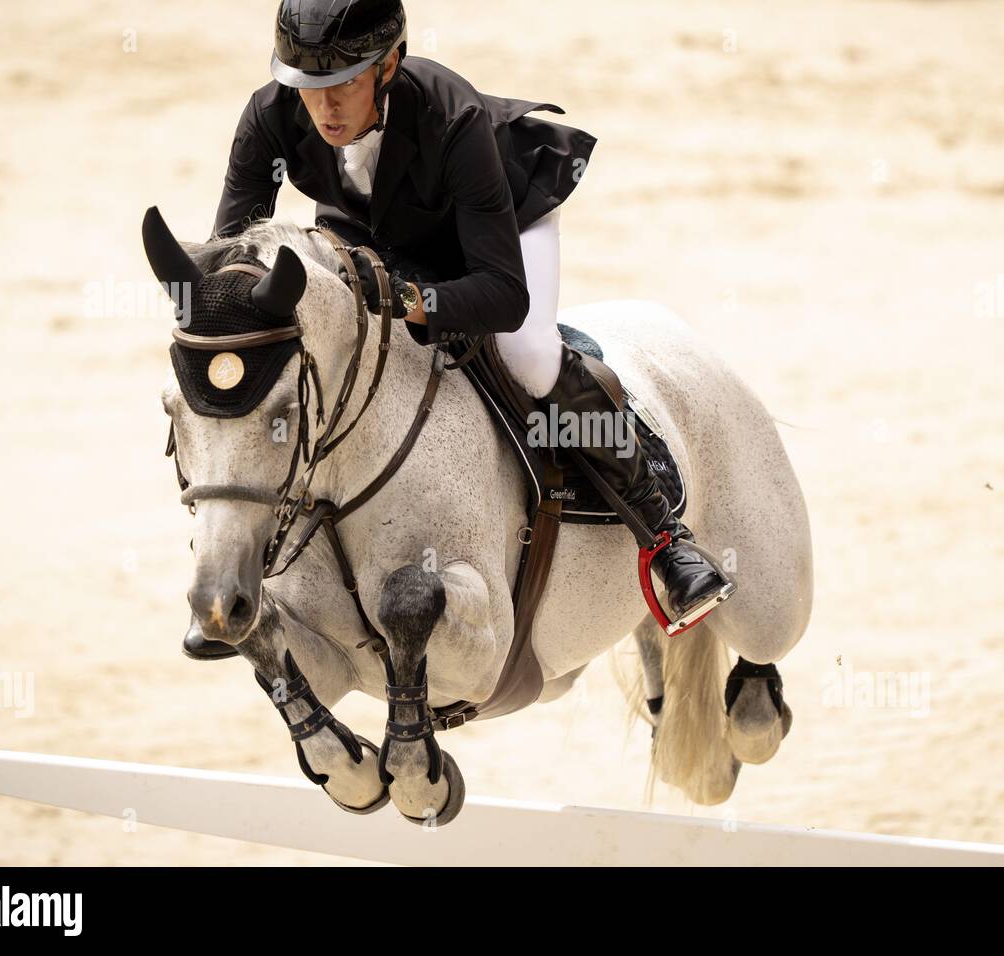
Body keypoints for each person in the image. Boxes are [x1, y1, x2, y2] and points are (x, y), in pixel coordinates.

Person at [184, 0, 733, 660]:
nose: (323, 109)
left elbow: (501, 295)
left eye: (343, 86)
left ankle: (665, 539)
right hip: (378, 231)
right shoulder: (272, 115)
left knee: (529, 355)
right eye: (308, 89)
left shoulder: (453, 118)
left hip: (500, 224)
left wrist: (407, 299)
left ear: (388, 65)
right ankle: (230, 574)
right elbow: (228, 257)